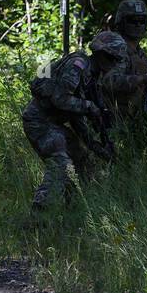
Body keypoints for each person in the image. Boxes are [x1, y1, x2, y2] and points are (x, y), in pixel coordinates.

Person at [21, 31, 127, 210]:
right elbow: (60, 99)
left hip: (55, 123)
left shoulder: (92, 78)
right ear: (101, 55)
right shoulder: (78, 65)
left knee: (83, 161)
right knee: (61, 163)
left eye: (116, 60)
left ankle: (75, 209)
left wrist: (100, 148)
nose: (114, 64)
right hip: (40, 121)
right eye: (112, 59)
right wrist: (89, 107)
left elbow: (77, 119)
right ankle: (40, 215)